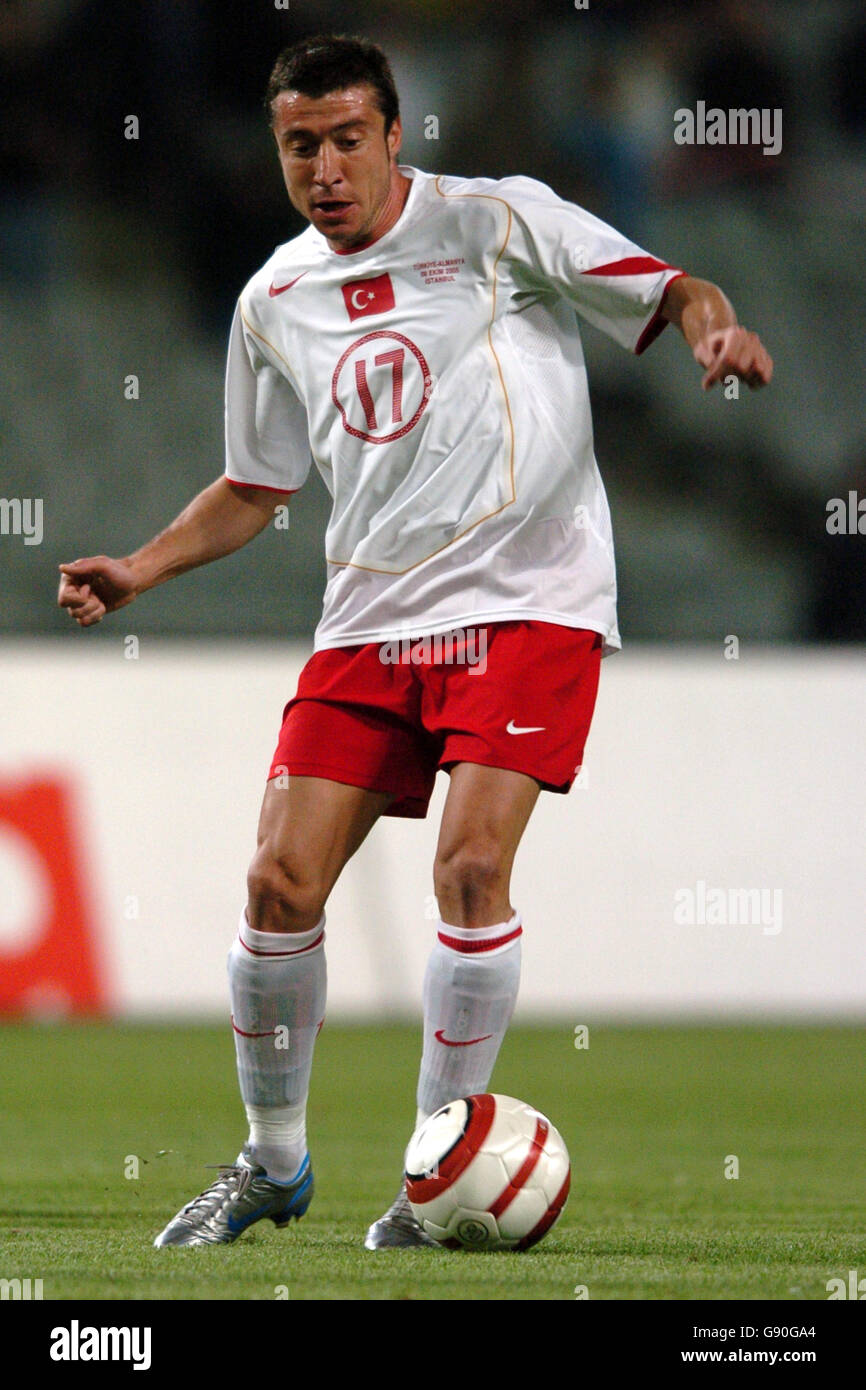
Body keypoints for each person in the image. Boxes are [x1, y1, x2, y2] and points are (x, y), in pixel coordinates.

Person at [57, 34, 773, 1250]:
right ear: (278, 151)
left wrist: (713, 330)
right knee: (275, 883)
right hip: (369, 617)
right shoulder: (272, 299)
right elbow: (253, 484)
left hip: (525, 600)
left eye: (347, 139)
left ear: (394, 135)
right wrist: (141, 565)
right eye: (300, 145)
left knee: (468, 871)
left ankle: (432, 1169)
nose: (325, 167)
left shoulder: (497, 223)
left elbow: (667, 285)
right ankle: (273, 1164)